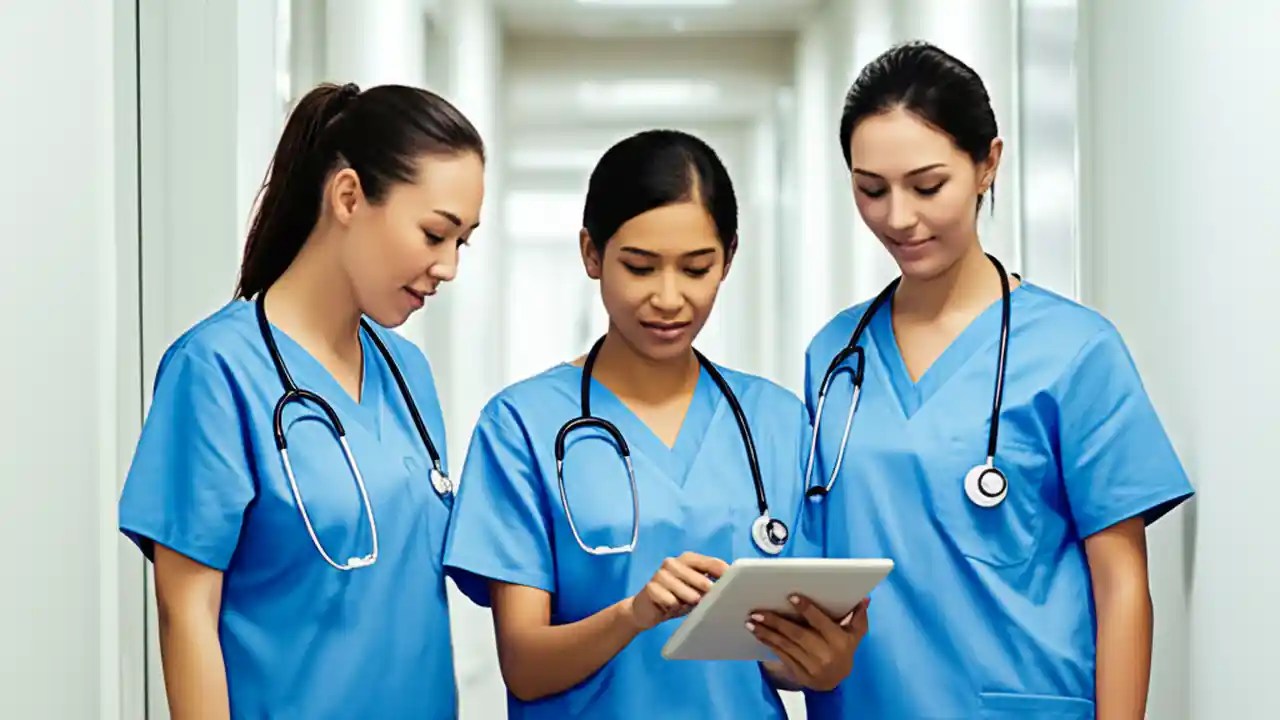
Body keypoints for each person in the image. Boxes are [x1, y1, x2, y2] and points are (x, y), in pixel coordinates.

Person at [800, 40, 1195, 719]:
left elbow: (1123, 581)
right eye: (871, 190)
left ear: (988, 164)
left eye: (927, 187)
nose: (898, 218)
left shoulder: (1075, 350)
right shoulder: (836, 356)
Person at [442, 129, 869, 718]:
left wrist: (821, 661)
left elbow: (791, 655)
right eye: (640, 267)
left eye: (697, 269)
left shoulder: (777, 423)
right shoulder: (522, 425)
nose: (669, 299)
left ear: (729, 259)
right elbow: (525, 666)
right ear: (591, 253)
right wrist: (633, 614)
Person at [117, 81, 485, 719]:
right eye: (434, 234)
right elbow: (187, 617)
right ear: (348, 196)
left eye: (463, 243)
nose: (449, 266)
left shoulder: (408, 373)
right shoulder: (215, 371)